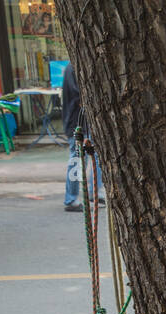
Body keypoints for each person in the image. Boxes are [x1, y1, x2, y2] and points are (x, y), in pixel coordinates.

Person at [62, 61, 103, 212]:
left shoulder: (77, 66)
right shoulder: (73, 68)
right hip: (77, 123)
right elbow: (82, 96)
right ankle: (71, 199)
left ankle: (94, 192)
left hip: (88, 123)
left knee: (96, 156)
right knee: (77, 159)